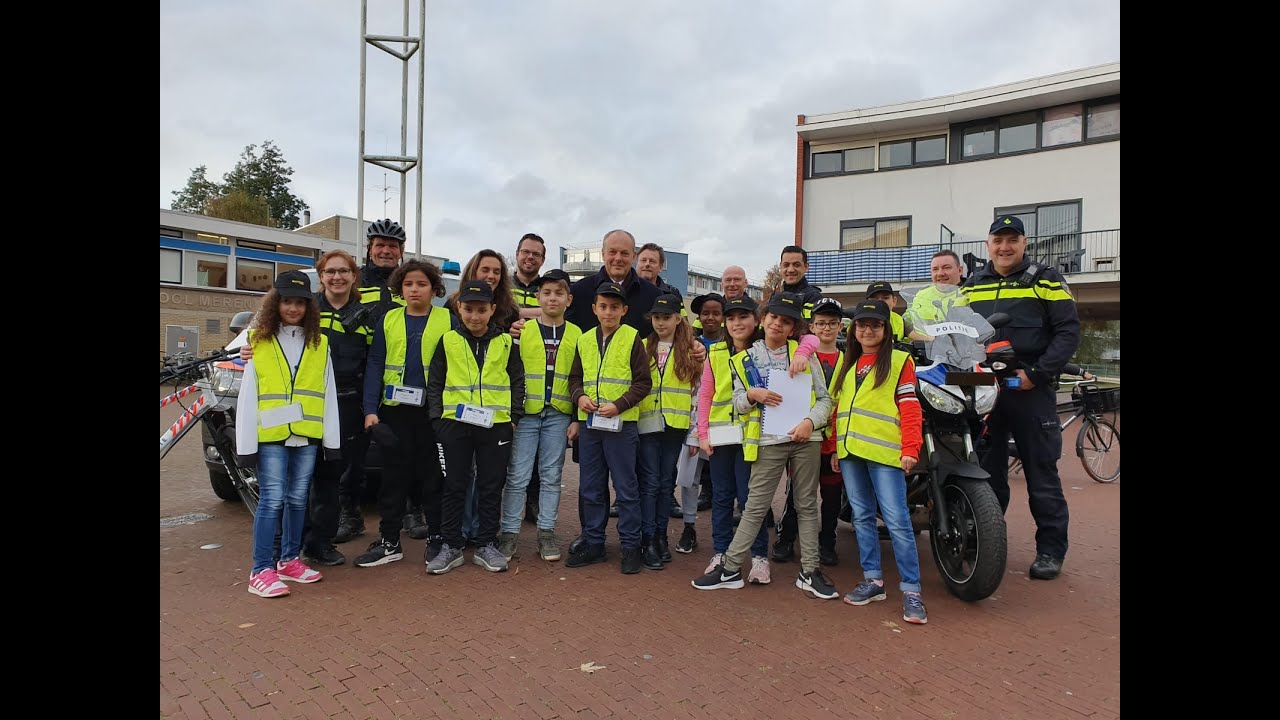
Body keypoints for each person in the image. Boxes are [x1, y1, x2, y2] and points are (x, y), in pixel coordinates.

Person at [692, 292, 838, 600]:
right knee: (755, 505)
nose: (778, 324)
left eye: (786, 321)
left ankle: (810, 572)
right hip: (767, 440)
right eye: (774, 317)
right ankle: (731, 568)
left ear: (792, 327)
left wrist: (810, 423)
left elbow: (826, 399)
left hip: (806, 439)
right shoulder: (744, 357)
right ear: (764, 319)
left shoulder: (804, 353)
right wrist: (751, 396)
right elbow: (734, 402)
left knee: (807, 505)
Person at [962, 215, 1081, 581]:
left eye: (1012, 240)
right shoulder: (972, 285)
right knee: (985, 474)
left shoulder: (1045, 280)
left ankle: (1050, 550)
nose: (1005, 247)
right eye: (998, 240)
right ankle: (985, 540)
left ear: (1024, 243)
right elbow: (961, 335)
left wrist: (1037, 374)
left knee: (1041, 473)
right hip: (985, 392)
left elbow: (1067, 332)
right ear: (988, 245)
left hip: (1030, 389)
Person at [235, 270, 340, 598]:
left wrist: (331, 442)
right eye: (286, 302)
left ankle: (289, 560)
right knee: (272, 500)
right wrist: (245, 444)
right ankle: (260, 569)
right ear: (274, 303)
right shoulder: (257, 340)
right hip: (271, 435)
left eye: (300, 302)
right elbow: (248, 392)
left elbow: (329, 392)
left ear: (309, 306)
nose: (293, 308)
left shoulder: (320, 343)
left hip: (307, 434)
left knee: (298, 499)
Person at [829, 299, 928, 624]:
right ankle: (873, 580)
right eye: (862, 324)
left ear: (886, 331)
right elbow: (836, 407)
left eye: (875, 325)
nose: (868, 330)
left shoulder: (900, 361)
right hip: (850, 453)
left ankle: (912, 591)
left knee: (898, 522)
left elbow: (911, 407)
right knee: (861, 518)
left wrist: (910, 449)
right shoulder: (847, 362)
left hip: (885, 454)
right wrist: (834, 448)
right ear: (853, 330)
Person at [355, 260, 454, 568]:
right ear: (400, 288)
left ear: (434, 289)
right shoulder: (388, 319)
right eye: (409, 284)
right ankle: (389, 541)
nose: (415, 289)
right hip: (395, 412)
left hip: (433, 413)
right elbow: (375, 363)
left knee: (433, 478)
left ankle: (437, 538)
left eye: (422, 284)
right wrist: (370, 409)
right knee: (393, 479)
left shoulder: (448, 320)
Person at [425, 280, 525, 575]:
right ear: (459, 308)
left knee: (491, 486)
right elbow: (435, 382)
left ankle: (486, 545)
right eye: (469, 309)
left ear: (493, 310)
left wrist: (514, 418)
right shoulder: (447, 341)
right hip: (454, 425)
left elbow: (518, 380)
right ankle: (452, 546)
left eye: (482, 310)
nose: (475, 316)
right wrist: (437, 420)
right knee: (454, 486)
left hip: (495, 426)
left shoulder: (506, 342)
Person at [566, 281, 653, 574]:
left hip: (621, 425)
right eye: (603, 306)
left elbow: (643, 382)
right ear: (594, 309)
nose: (608, 312)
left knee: (626, 488)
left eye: (615, 307)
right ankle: (594, 543)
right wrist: (580, 398)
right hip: (591, 426)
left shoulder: (633, 338)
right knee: (590, 487)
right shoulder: (584, 340)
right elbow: (574, 379)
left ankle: (631, 546)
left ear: (624, 310)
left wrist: (620, 404)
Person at [497, 269, 580, 562]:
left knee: (551, 475)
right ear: (538, 297)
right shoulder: (522, 331)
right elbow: (510, 373)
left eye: (559, 293)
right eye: (547, 293)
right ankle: (508, 534)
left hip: (558, 415)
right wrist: (512, 412)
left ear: (569, 300)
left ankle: (546, 533)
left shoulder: (577, 335)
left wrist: (577, 418)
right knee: (517, 476)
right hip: (527, 415)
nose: (552, 298)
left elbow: (581, 378)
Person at [303, 251, 374, 566]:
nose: (337, 277)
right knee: (302, 477)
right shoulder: (304, 311)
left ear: (353, 276)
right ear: (321, 277)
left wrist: (369, 406)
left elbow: (374, 364)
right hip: (307, 404)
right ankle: (292, 543)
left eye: (343, 271)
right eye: (330, 271)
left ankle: (322, 543)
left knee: (335, 477)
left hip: (347, 405)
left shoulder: (367, 317)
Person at [695, 295, 769, 581]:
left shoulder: (764, 352)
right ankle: (721, 552)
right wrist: (702, 434)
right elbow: (705, 394)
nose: (737, 323)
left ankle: (760, 556)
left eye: (743, 317)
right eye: (732, 318)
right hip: (722, 436)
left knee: (752, 499)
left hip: (754, 436)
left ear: (756, 320)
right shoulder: (715, 353)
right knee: (723, 497)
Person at [636, 293, 700, 569]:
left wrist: (696, 430)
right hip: (647, 424)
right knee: (650, 482)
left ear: (678, 319)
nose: (661, 323)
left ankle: (660, 535)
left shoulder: (691, 350)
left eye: (666, 318)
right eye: (656, 318)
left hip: (675, 424)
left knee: (666, 481)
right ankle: (648, 537)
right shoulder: (641, 346)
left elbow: (698, 392)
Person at [804, 298, 846, 567]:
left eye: (832, 323)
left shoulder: (848, 360)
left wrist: (837, 444)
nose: (826, 328)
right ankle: (788, 537)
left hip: (833, 442)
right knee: (801, 495)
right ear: (812, 326)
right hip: (807, 439)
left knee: (831, 498)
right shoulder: (802, 357)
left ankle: (827, 542)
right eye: (821, 323)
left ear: (841, 326)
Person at [905, 250, 968, 342]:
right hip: (922, 351)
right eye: (935, 269)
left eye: (946, 268)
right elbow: (906, 320)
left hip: (960, 352)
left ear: (960, 270)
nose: (940, 273)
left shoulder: (969, 293)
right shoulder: (921, 294)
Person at [778, 246, 824, 320]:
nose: (790, 270)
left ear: (806, 267)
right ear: (780, 267)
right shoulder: (775, 297)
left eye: (796, 265)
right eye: (786, 265)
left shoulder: (814, 297)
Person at [511, 233, 546, 317]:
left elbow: (558, 313)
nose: (530, 257)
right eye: (525, 252)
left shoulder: (548, 289)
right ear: (517, 255)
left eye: (536, 254)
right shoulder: (502, 285)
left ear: (543, 260)